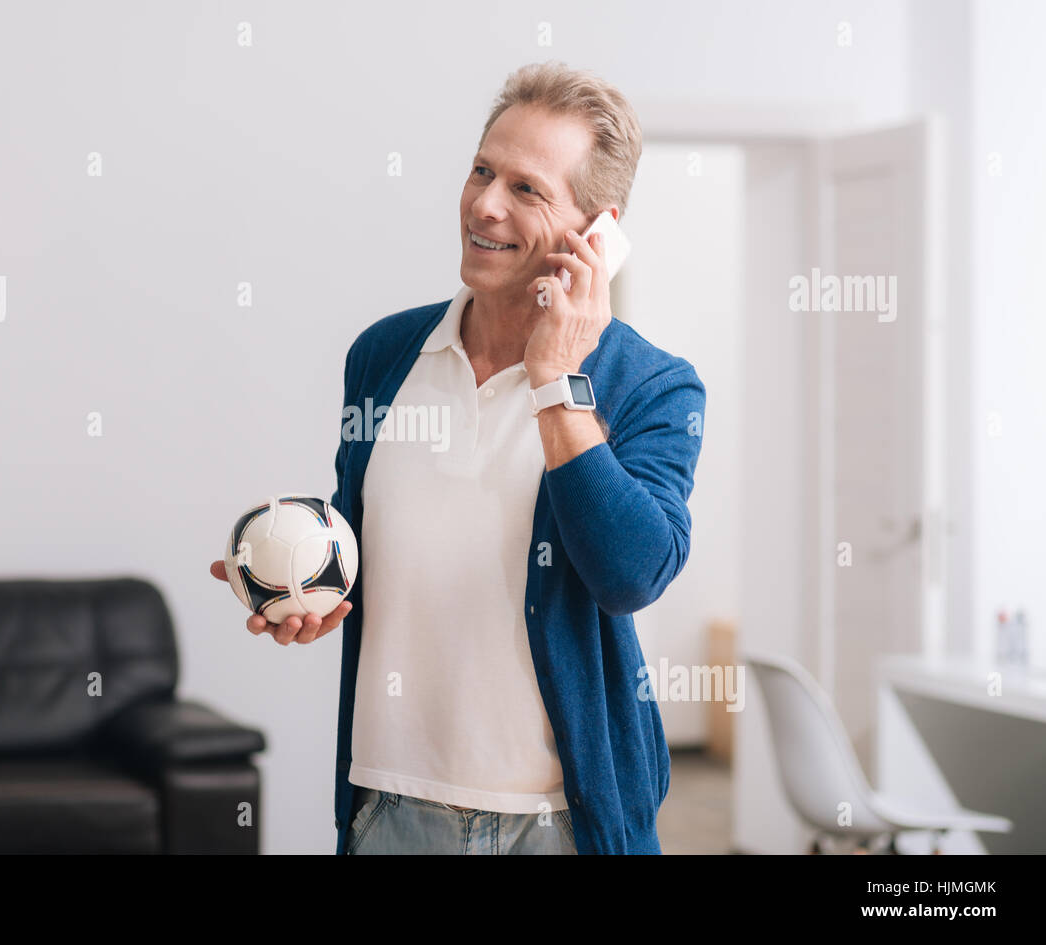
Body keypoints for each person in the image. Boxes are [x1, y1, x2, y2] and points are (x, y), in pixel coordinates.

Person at [212, 60, 705, 854]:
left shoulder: (650, 385)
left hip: (562, 824)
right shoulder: (384, 353)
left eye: (526, 189)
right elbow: (366, 536)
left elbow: (631, 573)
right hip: (391, 809)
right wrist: (308, 584)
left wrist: (554, 380)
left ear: (596, 231)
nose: (484, 204)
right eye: (482, 170)